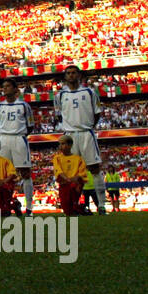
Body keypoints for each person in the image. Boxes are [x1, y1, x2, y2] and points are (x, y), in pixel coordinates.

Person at [55, 65, 108, 212]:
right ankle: (73, 205)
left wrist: (88, 126)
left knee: (94, 168)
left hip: (86, 133)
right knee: (72, 172)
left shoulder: (90, 92)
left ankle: (102, 205)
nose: (71, 75)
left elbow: (97, 113)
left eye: (73, 73)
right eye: (68, 73)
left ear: (79, 75)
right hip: (69, 135)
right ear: (65, 77)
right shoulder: (60, 95)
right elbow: (59, 115)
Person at [0, 79, 35, 215]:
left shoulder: (24, 105)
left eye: (8, 86)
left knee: (25, 173)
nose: (5, 89)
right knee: (4, 174)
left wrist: (19, 134)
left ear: (15, 89)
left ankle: (29, 207)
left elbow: (30, 126)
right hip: (4, 140)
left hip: (19, 139)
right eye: (3, 86)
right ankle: (6, 205)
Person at [52, 135, 87, 217]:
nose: (60, 146)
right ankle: (80, 209)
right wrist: (67, 179)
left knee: (74, 185)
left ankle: (76, 206)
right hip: (64, 185)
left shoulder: (78, 158)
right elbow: (58, 171)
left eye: (63, 144)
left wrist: (75, 179)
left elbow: (82, 174)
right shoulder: (57, 158)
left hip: (74, 184)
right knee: (67, 210)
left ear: (70, 145)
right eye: (59, 144)